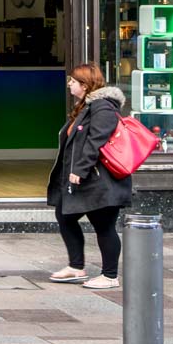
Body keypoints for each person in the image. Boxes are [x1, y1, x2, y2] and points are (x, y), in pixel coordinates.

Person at [46, 63, 132, 290]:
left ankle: (110, 276)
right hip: (88, 180)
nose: (69, 84)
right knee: (64, 215)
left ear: (85, 85)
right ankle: (76, 267)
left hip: (101, 180)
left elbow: (96, 141)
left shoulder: (103, 107)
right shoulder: (86, 106)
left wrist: (80, 169)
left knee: (104, 225)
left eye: (73, 81)